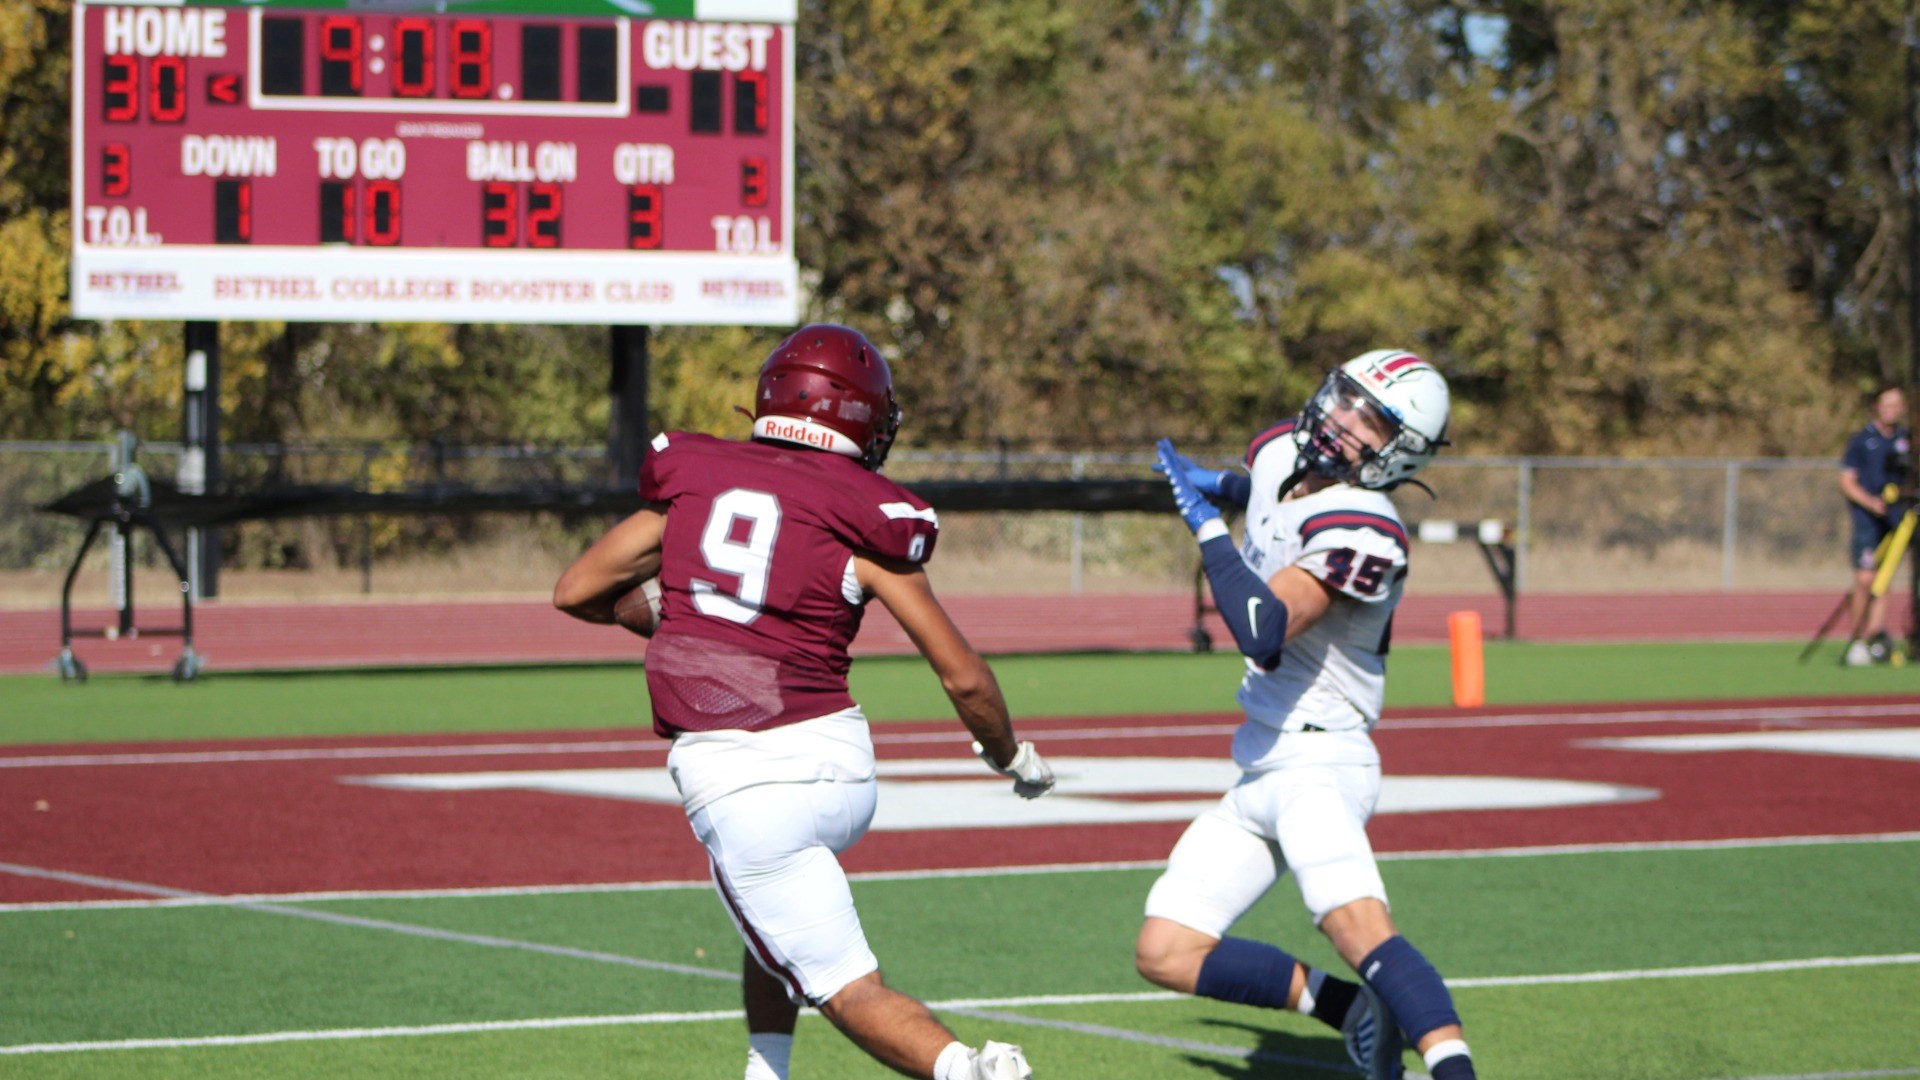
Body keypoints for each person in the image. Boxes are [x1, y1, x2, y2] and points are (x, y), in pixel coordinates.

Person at [554, 324, 1056, 1080]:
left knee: (848, 990)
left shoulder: (695, 476)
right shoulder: (860, 510)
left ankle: (974, 1071)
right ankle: (768, 1069)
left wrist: (686, 614)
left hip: (743, 779)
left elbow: (577, 591)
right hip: (840, 766)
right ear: (856, 416)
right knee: (773, 927)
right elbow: (963, 675)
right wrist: (1007, 752)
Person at [1138, 349, 1476, 1080]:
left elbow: (1262, 626)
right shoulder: (1278, 451)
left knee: (1355, 925)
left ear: (1399, 452)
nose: (1345, 418)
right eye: (1346, 398)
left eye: (1372, 419)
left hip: (1322, 761)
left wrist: (1206, 526)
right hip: (1261, 759)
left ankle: (1455, 1071)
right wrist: (1222, 485)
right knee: (1165, 950)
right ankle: (1355, 1013)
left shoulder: (1368, 526)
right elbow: (1269, 498)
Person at [1837, 387, 1911, 665]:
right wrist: (1871, 503)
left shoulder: (1906, 440)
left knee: (1884, 578)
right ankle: (1857, 640)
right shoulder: (1861, 440)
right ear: (1877, 406)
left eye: (1896, 403)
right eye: (1886, 403)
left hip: (1897, 519)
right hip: (1868, 519)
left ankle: (1874, 636)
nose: (1891, 408)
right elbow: (1846, 481)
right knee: (1866, 578)